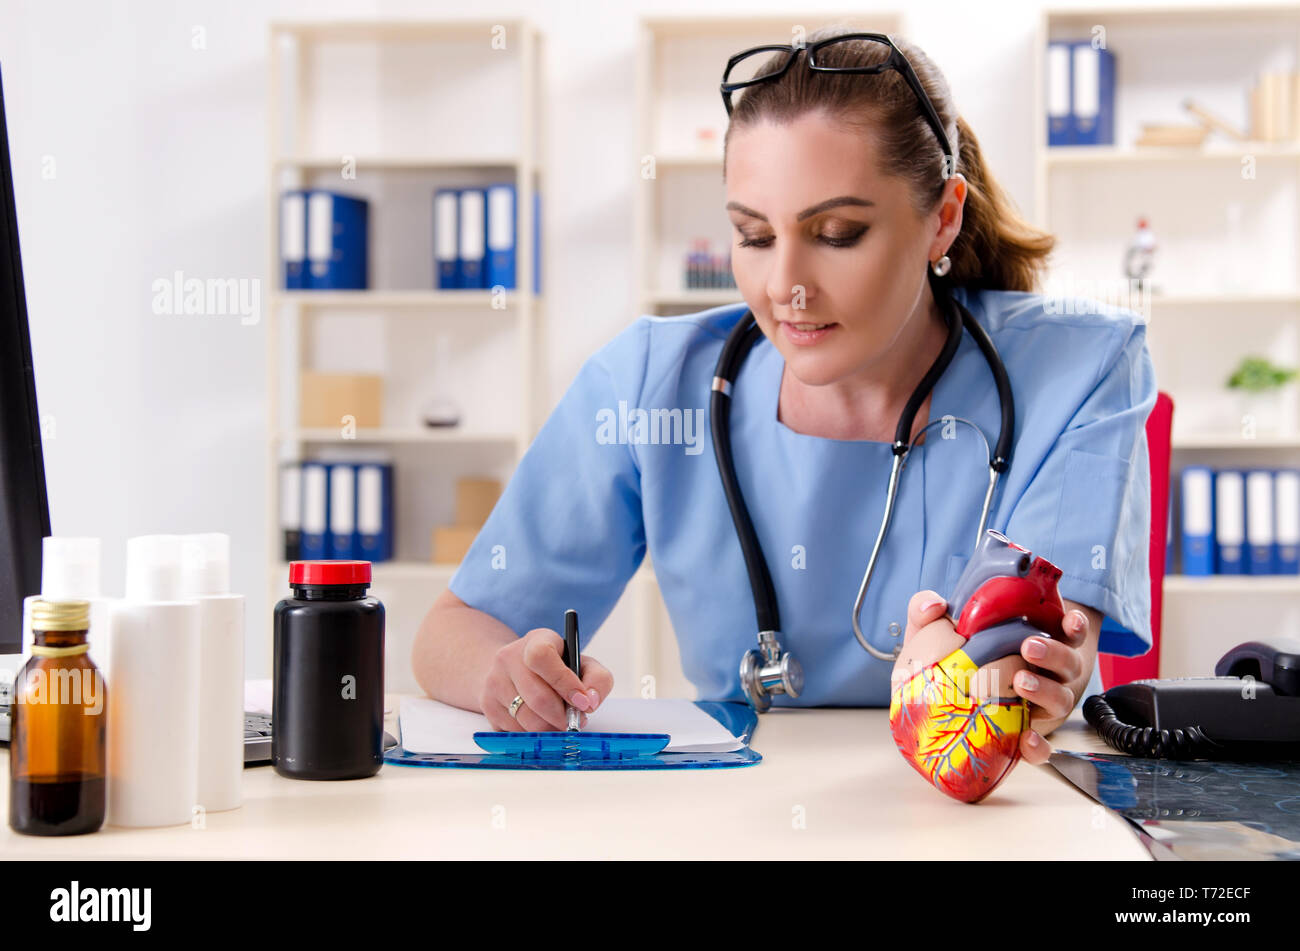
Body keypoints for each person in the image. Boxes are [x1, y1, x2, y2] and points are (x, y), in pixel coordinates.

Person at [411, 28, 1157, 767]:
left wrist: (1042, 672)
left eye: (837, 233)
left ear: (944, 217)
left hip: (982, 817)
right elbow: (455, 630)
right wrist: (503, 676)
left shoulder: (1081, 366)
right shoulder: (650, 382)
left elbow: (1028, 652)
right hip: (738, 816)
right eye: (754, 235)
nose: (785, 287)